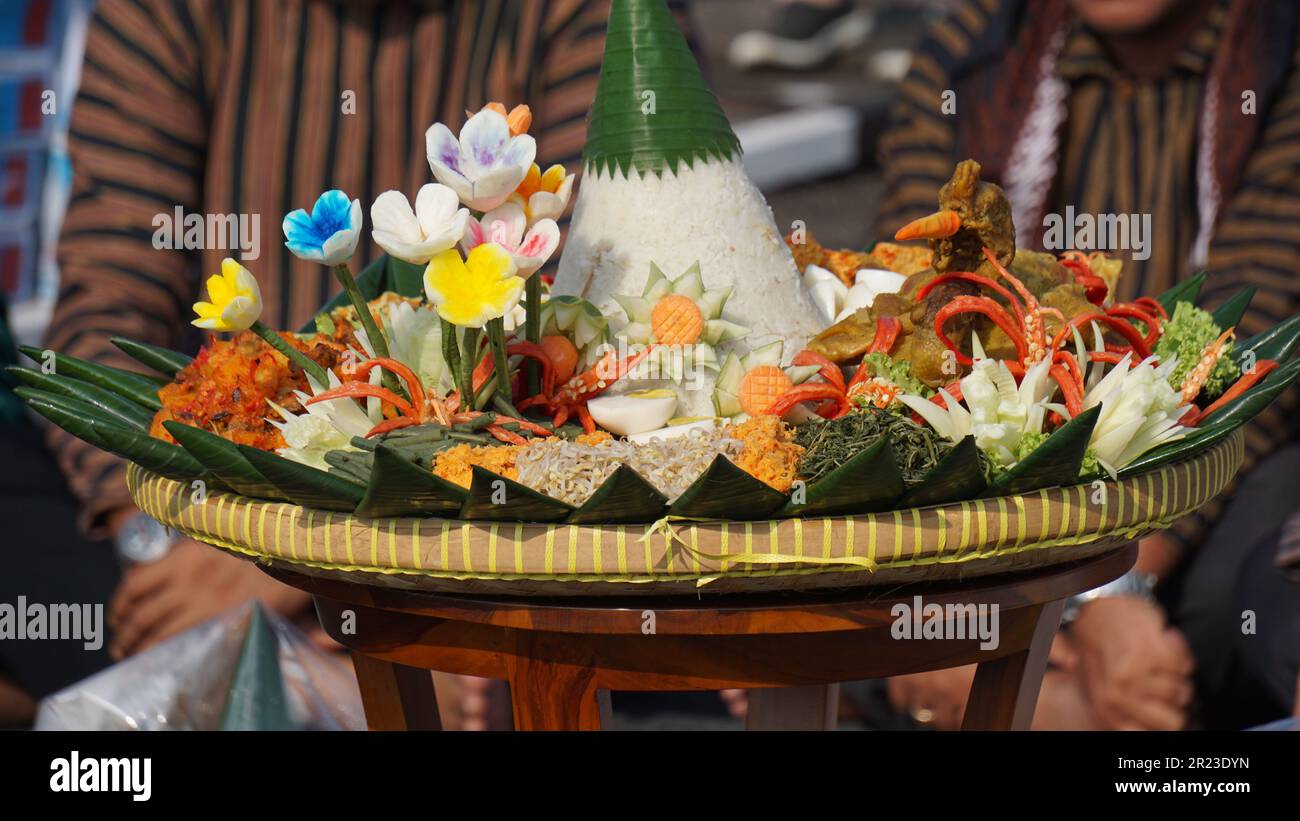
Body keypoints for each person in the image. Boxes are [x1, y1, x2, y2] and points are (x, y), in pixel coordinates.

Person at [44, 0, 665, 727]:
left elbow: (599, 308)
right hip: (218, 506)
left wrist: (302, 570)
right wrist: (170, 544)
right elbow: (103, 310)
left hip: (498, 529)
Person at [874, 0, 1300, 728]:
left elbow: (1251, 342)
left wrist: (1112, 588)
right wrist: (1056, 605)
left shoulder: (1280, 49)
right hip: (994, 520)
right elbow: (917, 324)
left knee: (1250, 597)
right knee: (884, 622)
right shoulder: (974, 51)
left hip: (1202, 490)